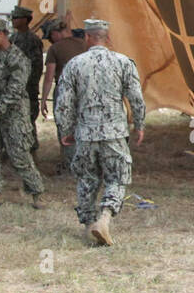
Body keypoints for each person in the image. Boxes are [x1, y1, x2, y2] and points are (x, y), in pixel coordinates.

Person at [56, 18, 146, 246]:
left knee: (87, 179)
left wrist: (65, 130)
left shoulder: (75, 64)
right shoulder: (123, 62)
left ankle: (88, 226)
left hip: (85, 133)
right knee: (117, 178)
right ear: (107, 38)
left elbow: (63, 102)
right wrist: (140, 124)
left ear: (86, 37)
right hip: (114, 133)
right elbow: (136, 97)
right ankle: (104, 219)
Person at [0, 16, 45, 209]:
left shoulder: (18, 58)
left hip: (13, 112)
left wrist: (0, 108)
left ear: (1, 34)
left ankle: (36, 191)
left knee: (19, 154)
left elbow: (16, 88)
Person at [41, 17, 88, 174]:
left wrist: (43, 101)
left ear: (55, 33)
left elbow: (49, 77)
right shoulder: (85, 44)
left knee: (66, 130)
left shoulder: (55, 49)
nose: (50, 40)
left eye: (50, 37)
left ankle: (70, 167)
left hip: (65, 93)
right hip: (86, 92)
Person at [9, 7, 45, 152]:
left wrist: (30, 86)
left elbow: (36, 66)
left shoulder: (32, 40)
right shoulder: (13, 39)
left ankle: (31, 148)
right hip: (14, 87)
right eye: (13, 18)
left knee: (28, 119)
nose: (13, 21)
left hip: (27, 88)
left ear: (25, 20)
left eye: (16, 18)